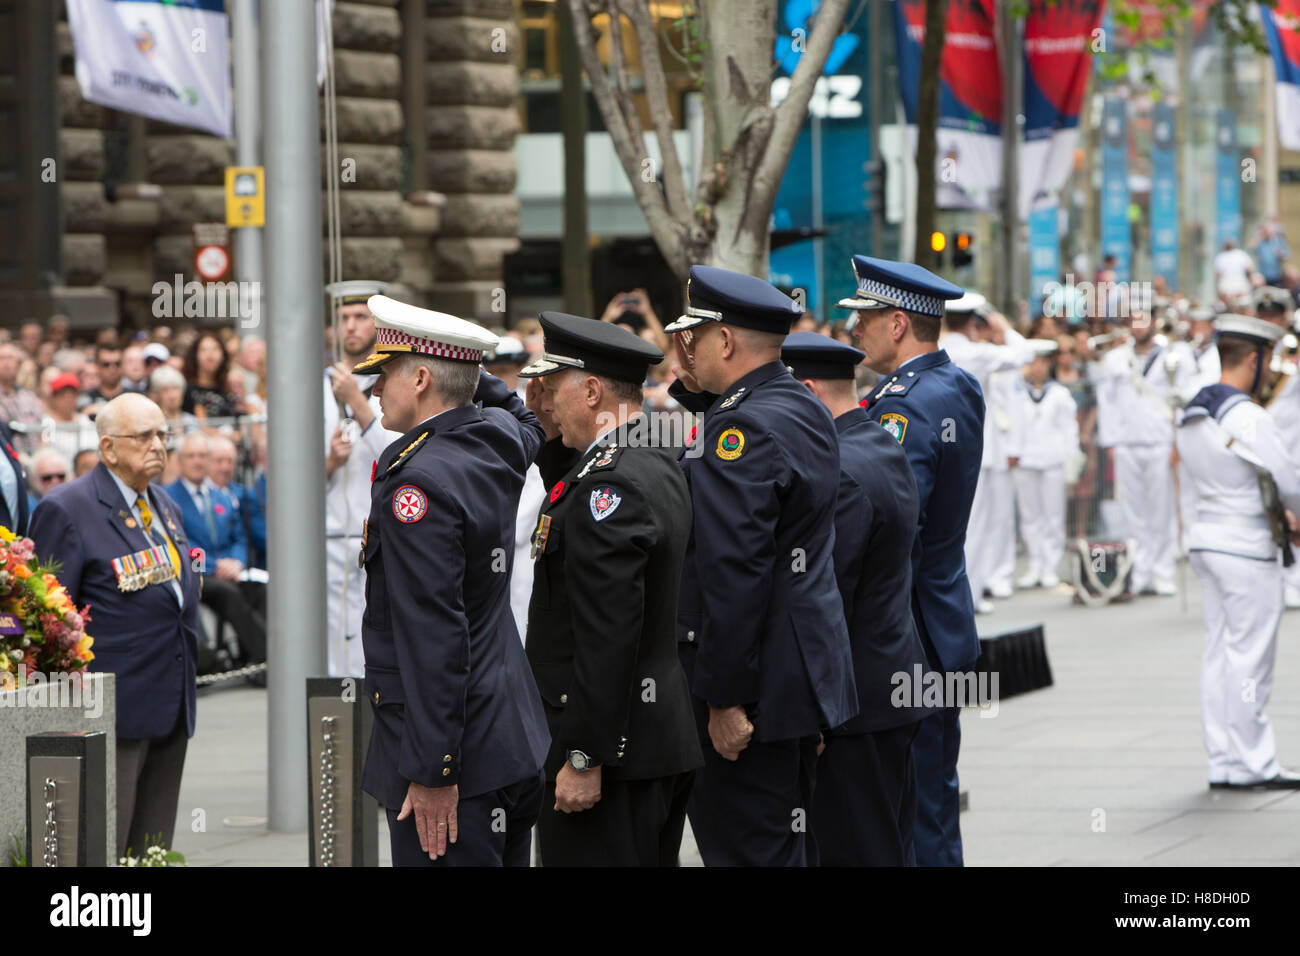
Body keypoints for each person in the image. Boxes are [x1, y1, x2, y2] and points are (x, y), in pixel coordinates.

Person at [664, 266, 857, 867]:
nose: (688, 350)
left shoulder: (741, 427)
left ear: (724, 340)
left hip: (753, 692)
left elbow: (734, 574)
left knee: (748, 850)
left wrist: (724, 700)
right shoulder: (799, 403)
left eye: (696, 337)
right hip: (795, 679)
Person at [354, 295, 550, 866]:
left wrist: (434, 770)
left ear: (420, 379)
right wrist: (466, 372)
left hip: (456, 763)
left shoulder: (417, 484)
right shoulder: (497, 440)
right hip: (507, 738)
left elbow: (434, 635)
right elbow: (528, 420)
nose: (374, 389)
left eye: (386, 373)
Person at [517, 312, 702, 866]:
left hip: (612, 754)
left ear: (592, 392)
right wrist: (547, 431)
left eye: (554, 390)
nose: (547, 403)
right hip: (652, 739)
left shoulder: (612, 483)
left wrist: (584, 756)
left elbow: (608, 635)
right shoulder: (649, 456)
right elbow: (572, 490)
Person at [839, 254, 981, 867]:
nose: (854, 330)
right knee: (929, 804)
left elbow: (899, 525)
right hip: (938, 619)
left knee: (917, 810)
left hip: (910, 630)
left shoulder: (906, 405)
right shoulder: (952, 383)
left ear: (898, 324)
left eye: (864, 318)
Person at [780, 333, 931, 866]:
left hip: (856, 704)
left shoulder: (838, 470)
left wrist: (819, 712)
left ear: (808, 392)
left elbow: (829, 601)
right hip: (893, 679)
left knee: (855, 850)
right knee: (889, 843)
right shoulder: (879, 442)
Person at [28, 393, 201, 856]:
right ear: (108, 448)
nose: (158, 445)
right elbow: (46, 621)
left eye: (162, 434)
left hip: (170, 698)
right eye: (143, 436)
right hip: (110, 711)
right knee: (105, 847)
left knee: (152, 850)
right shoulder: (67, 508)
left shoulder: (163, 503)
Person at [1176, 314, 1300, 789]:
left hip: (1208, 538)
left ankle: (1224, 760)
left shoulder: (1193, 412)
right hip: (1247, 545)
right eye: (1267, 361)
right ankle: (1254, 763)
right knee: (1250, 659)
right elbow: (1290, 483)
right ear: (1253, 358)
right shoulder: (1248, 417)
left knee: (1219, 654)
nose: (1270, 371)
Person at [323, 280, 403, 675]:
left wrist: (358, 403)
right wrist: (329, 463)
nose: (351, 326)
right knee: (336, 646)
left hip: (383, 532)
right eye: (343, 319)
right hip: (332, 534)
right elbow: (291, 475)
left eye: (359, 317)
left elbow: (399, 454)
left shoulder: (394, 384)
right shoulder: (316, 388)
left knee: (379, 638)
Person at [940, 293, 1032, 612]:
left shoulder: (937, 349)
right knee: (975, 526)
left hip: (941, 448)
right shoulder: (975, 352)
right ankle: (972, 595)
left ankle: (956, 595)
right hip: (975, 450)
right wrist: (1003, 327)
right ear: (971, 323)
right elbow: (1024, 353)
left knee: (948, 527)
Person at [1095, 309, 1193, 595]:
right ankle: (1139, 570)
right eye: (1133, 322)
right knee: (1132, 512)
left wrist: (1178, 442)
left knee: (1161, 510)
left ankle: (1162, 572)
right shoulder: (1115, 359)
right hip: (1126, 442)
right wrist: (1111, 442)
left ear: (1153, 322)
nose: (1138, 328)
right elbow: (1107, 402)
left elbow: (1181, 399)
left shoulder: (1173, 355)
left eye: (1143, 321)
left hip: (1160, 440)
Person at [165, 433, 267, 666]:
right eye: (191, 456)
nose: (197, 461)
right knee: (227, 593)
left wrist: (236, 562)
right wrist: (213, 565)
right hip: (194, 573)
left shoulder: (221, 496)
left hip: (229, 570)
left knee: (261, 590)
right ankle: (265, 658)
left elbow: (239, 536)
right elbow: (180, 541)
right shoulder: (168, 497)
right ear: (180, 460)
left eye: (202, 456)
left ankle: (248, 658)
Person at [484, 336, 546, 643]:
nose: (498, 378)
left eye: (505, 371)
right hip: (489, 530)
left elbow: (537, 480)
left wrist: (511, 528)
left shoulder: (528, 412)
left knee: (522, 609)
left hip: (523, 531)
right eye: (492, 372)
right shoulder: (479, 412)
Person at [1012, 340, 1080, 588]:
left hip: (1052, 461)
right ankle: (1035, 565)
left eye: (1042, 362)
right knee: (1030, 517)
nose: (1038, 368)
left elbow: (1069, 429)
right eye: (1033, 362)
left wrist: (1070, 459)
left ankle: (1050, 565)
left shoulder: (1060, 394)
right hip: (1025, 460)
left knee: (1053, 516)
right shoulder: (1018, 393)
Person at [182, 332, 240, 420]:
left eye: (215, 349)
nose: (210, 356)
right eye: (204, 350)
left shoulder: (229, 388)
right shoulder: (187, 391)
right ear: (195, 355)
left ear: (223, 354)